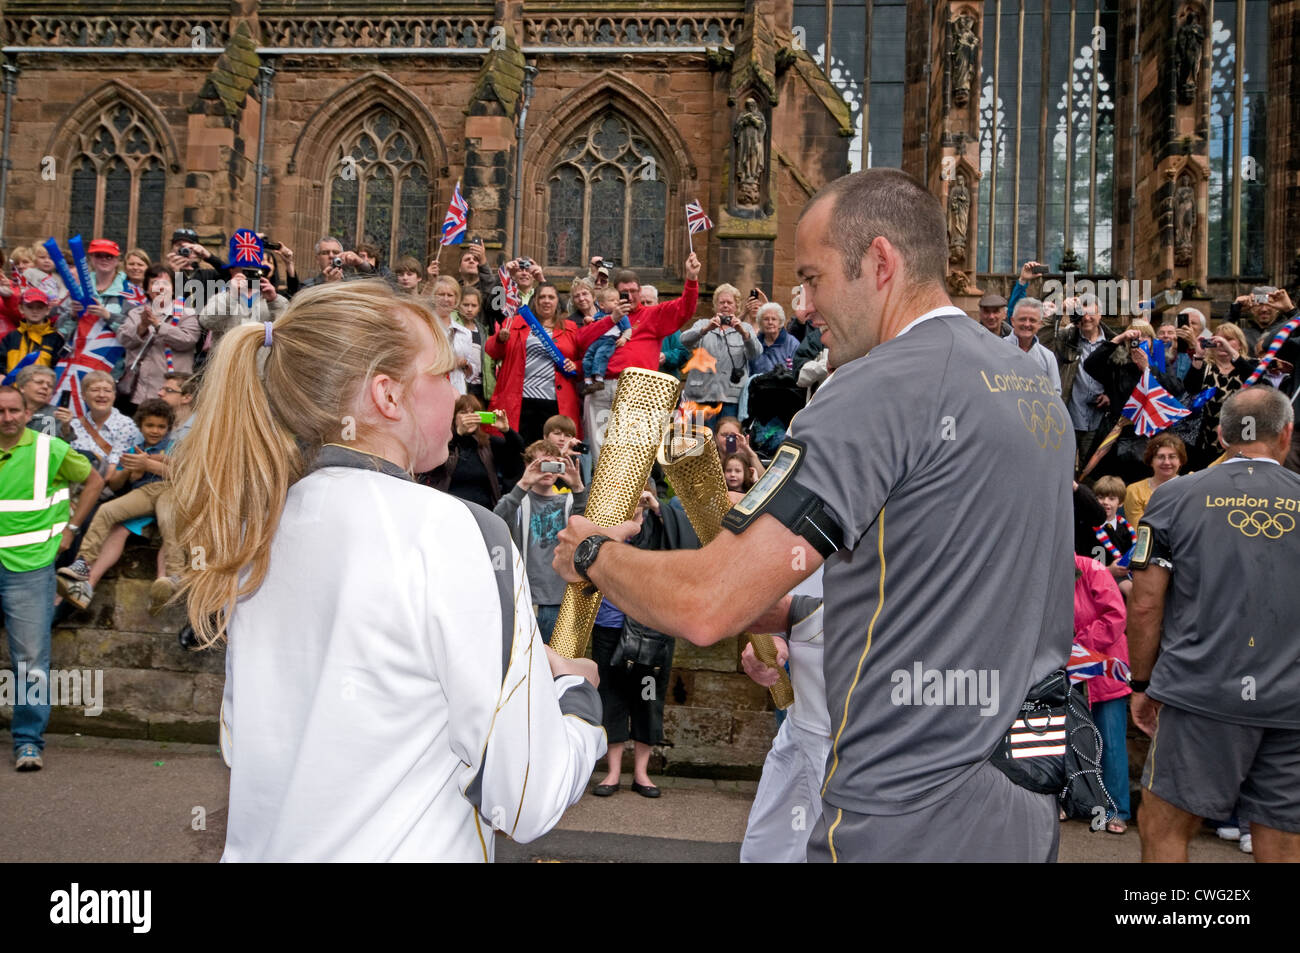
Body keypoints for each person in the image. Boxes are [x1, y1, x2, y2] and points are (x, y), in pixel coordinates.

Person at [553, 168, 1075, 862]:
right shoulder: (1032, 388)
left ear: (880, 263)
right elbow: (930, 580)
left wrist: (594, 555)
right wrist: (787, 612)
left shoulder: (875, 388)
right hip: (1025, 794)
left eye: (813, 277)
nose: (803, 306)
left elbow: (709, 602)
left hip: (905, 805)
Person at [169, 279, 603, 860]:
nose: (459, 393)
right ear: (389, 396)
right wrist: (576, 694)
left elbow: (244, 741)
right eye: (445, 374)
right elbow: (527, 796)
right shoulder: (459, 529)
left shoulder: (254, 528)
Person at [1128, 386, 1300, 863]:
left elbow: (1144, 606)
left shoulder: (1175, 497)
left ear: (1222, 435)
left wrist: (1141, 682)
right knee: (1285, 840)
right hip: (1291, 699)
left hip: (1202, 690)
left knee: (1163, 826)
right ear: (1286, 434)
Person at [0, 385, 94, 770]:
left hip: (30, 565)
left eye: (13, 411)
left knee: (31, 659)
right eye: (0, 411)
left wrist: (70, 528)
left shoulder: (48, 448)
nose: (6, 418)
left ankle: (28, 743)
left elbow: (94, 480)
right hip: (25, 566)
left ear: (27, 412)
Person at [589, 482, 681, 799]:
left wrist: (656, 508)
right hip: (609, 625)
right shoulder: (606, 527)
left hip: (651, 628)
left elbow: (685, 547)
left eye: (642, 491)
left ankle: (641, 772)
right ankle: (613, 771)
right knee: (611, 696)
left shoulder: (661, 525)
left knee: (647, 696)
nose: (635, 498)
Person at [56, 399, 174, 609]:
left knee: (170, 521)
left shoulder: (174, 445)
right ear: (141, 426)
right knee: (107, 511)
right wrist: (130, 468)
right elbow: (117, 483)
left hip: (171, 493)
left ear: (168, 428)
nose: (155, 431)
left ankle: (174, 576)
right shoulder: (133, 448)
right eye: (150, 426)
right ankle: (83, 563)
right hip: (145, 493)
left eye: (161, 426)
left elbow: (185, 474)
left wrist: (149, 462)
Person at [581, 255, 701, 459]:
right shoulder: (603, 315)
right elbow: (582, 341)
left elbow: (684, 309)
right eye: (624, 292)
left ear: (640, 290)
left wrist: (691, 278)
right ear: (615, 292)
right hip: (601, 388)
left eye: (633, 291)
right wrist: (612, 319)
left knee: (631, 457)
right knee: (601, 456)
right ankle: (605, 491)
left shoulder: (652, 315)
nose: (629, 295)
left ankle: (637, 491)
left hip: (637, 389)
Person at [739, 594, 829, 862]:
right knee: (765, 851)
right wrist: (773, 639)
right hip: (801, 725)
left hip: (871, 740)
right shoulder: (796, 553)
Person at [487, 282, 614, 443]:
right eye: (542, 297)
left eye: (551, 297)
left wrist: (577, 366)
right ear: (535, 301)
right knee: (518, 453)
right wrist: (499, 340)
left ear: (557, 302)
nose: (546, 301)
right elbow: (492, 351)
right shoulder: (514, 323)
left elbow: (588, 359)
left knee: (554, 454)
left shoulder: (571, 328)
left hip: (556, 401)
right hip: (520, 400)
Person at [493, 438, 587, 645]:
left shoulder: (568, 502)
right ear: (528, 466)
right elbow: (496, 520)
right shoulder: (518, 502)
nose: (548, 472)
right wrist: (524, 483)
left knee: (557, 667)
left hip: (560, 601)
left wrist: (578, 487)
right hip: (525, 600)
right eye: (541, 465)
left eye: (553, 465)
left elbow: (586, 527)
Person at [1072, 553, 1131, 833]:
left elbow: (1116, 616)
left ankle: (1116, 808)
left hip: (1104, 665)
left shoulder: (1093, 569)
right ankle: (1074, 802)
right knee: (1067, 737)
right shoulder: (1045, 570)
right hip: (1068, 665)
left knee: (1111, 740)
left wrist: (1078, 644)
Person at [117, 265, 201, 407]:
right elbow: (125, 340)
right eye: (154, 283)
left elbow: (188, 340)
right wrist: (142, 326)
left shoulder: (187, 313)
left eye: (165, 283)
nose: (160, 287)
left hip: (172, 395)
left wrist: (158, 326)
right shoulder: (136, 313)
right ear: (147, 289)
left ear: (173, 289)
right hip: (138, 393)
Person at [679, 283, 762, 427]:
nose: (725, 305)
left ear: (736, 307)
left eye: (729, 302)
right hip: (701, 398)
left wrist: (743, 333)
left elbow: (755, 353)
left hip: (731, 400)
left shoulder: (745, 328)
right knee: (701, 443)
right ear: (715, 305)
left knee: (729, 444)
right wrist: (705, 330)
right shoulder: (702, 323)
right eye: (721, 302)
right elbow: (684, 340)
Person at [422, 394, 524, 510]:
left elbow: (518, 452)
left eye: (474, 413)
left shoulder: (487, 444)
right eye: (464, 413)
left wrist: (506, 430)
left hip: (483, 510)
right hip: (448, 509)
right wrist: (458, 434)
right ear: (454, 417)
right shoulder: (444, 442)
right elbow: (433, 464)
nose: (470, 417)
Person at [1182, 322, 1254, 469]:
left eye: (1229, 339)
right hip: (1206, 437)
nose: (1222, 343)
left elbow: (1259, 383)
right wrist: (1198, 356)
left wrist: (1232, 353)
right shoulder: (1206, 366)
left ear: (1240, 344)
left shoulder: (1248, 366)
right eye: (1218, 340)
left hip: (1241, 435)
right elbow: (1191, 388)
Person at [1054, 298, 1109, 461]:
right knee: (1063, 467)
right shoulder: (1066, 339)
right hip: (1069, 417)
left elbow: (1122, 378)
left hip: (1098, 420)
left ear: (1100, 314)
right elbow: (1044, 332)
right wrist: (1060, 309)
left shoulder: (1113, 342)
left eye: (1091, 312)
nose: (1086, 318)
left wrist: (1110, 394)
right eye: (1081, 313)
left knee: (1091, 473)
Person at [1123, 433, 1185, 527]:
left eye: (1172, 457)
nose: (1166, 462)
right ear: (1151, 461)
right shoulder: (1135, 491)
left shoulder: (1191, 486)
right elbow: (1139, 532)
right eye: (1160, 457)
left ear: (1180, 461)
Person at [580, 286, 632, 395]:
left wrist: (624, 338)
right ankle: (588, 381)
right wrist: (588, 320)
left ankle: (599, 379)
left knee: (600, 355)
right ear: (602, 305)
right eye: (612, 301)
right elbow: (594, 322)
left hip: (610, 340)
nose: (616, 303)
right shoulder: (599, 315)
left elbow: (628, 329)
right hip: (598, 339)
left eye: (617, 301)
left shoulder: (622, 316)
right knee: (588, 356)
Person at [1005, 298, 1062, 395]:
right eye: (1022, 319)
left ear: (1039, 324)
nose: (1027, 324)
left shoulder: (1048, 357)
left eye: (1032, 320)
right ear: (1013, 321)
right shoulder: (997, 348)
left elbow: (1055, 394)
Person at [2, 288, 62, 373]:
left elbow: (58, 369)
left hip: (41, 385)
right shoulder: (11, 336)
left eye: (40, 307)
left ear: (47, 310)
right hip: (11, 386)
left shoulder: (56, 339)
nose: (35, 311)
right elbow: (1, 363)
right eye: (30, 307)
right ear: (21, 308)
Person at [749, 302, 799, 376]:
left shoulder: (792, 344)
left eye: (774, 319)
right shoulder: (755, 344)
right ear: (760, 323)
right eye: (766, 319)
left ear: (780, 322)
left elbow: (797, 372)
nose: (770, 322)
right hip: (758, 386)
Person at [15, 365, 58, 437]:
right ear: (22, 387)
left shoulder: (57, 415)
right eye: (39, 382)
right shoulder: (6, 410)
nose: (45, 387)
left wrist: (66, 429)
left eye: (50, 385)